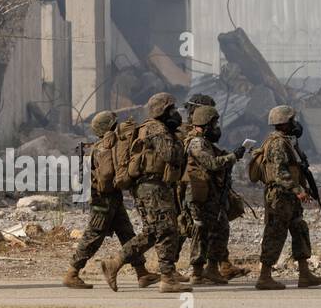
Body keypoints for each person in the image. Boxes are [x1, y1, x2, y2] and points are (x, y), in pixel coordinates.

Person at [101, 92, 192, 293]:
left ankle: (114, 263)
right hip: (153, 188)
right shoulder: (157, 129)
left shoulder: (150, 128)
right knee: (168, 230)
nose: (176, 113)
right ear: (162, 111)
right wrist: (179, 138)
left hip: (150, 187)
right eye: (172, 109)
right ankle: (168, 278)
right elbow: (171, 155)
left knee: (153, 232)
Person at [62, 111, 159, 290]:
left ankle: (142, 273)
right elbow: (106, 176)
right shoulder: (104, 148)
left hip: (111, 198)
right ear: (110, 127)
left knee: (127, 234)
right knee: (93, 236)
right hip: (103, 200)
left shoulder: (101, 146)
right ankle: (72, 273)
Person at [253, 105, 321, 290]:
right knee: (275, 233)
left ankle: (305, 274)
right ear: (285, 123)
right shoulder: (277, 143)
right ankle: (264, 277)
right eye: (292, 120)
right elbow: (279, 172)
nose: (295, 124)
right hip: (280, 196)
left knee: (299, 229)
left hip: (289, 196)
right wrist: (297, 189)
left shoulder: (287, 141)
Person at [183, 105, 246, 285]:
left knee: (219, 229)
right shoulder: (196, 143)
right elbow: (211, 163)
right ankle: (197, 272)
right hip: (199, 194)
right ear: (205, 125)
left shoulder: (205, 142)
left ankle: (211, 269)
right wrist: (233, 156)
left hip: (209, 193)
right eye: (214, 123)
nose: (217, 128)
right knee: (200, 230)